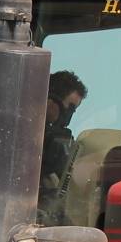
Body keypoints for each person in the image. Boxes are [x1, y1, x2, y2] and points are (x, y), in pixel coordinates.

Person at [39, 70, 87, 222]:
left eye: (73, 110)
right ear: (51, 101)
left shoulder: (62, 142)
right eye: (70, 107)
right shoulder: (22, 134)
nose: (69, 115)